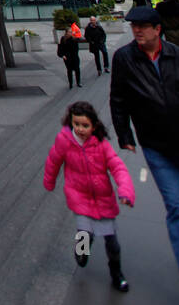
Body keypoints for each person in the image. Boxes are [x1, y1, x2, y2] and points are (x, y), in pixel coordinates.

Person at [110, 5, 179, 305]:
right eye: (134, 27)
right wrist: (124, 134)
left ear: (158, 29)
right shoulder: (125, 59)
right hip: (157, 147)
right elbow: (118, 99)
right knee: (178, 209)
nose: (137, 31)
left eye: (143, 26)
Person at [44, 100, 135, 290]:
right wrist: (49, 181)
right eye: (76, 124)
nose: (80, 129)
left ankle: (116, 272)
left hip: (103, 198)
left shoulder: (100, 144)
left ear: (94, 126)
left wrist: (125, 190)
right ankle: (81, 253)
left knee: (112, 241)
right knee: (84, 232)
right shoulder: (65, 141)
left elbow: (117, 167)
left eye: (85, 125)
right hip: (80, 195)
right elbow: (54, 160)